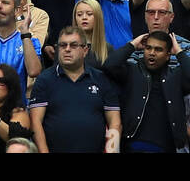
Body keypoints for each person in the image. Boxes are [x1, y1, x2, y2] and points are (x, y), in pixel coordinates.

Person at [102, 29, 190, 152]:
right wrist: (132, 45)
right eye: (148, 48)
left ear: (168, 55)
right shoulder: (132, 71)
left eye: (158, 49)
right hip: (132, 145)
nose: (152, 53)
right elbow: (109, 65)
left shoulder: (176, 76)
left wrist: (179, 52)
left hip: (164, 147)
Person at [29, 25, 122, 153]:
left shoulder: (101, 79)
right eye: (62, 45)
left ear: (85, 50)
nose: (67, 49)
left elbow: (115, 122)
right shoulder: (44, 79)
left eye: (73, 45)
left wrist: (112, 152)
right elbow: (35, 122)